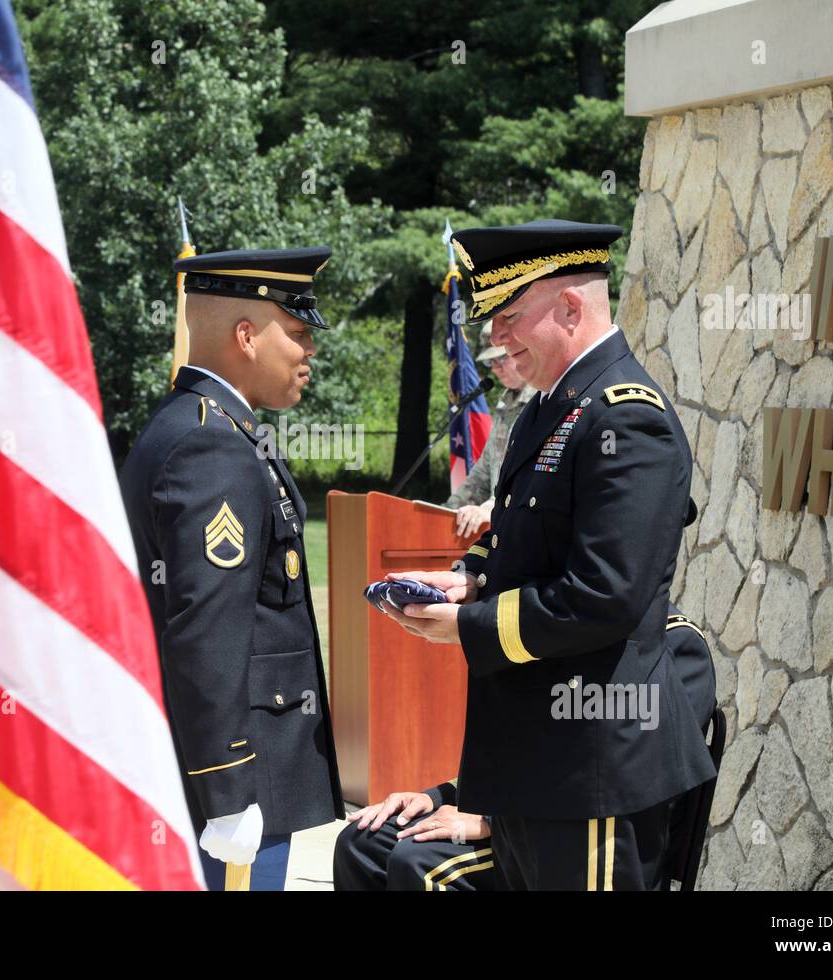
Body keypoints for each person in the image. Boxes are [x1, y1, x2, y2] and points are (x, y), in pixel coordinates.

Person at [378, 220, 716, 890]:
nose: (496, 338)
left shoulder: (626, 415)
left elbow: (606, 595)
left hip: (593, 763)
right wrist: (462, 586)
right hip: (537, 759)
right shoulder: (548, 412)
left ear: (570, 308)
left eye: (509, 316)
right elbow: (525, 548)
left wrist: (469, 628)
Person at [119, 247, 344, 891]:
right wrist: (226, 790)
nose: (309, 352)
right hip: (234, 779)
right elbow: (206, 633)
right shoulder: (212, 443)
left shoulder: (201, 425)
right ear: (245, 336)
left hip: (223, 767)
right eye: (297, 334)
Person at [333, 605, 715, 891]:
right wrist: (436, 797)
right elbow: (522, 752)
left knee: (420, 863)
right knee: (362, 843)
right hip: (515, 811)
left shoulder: (676, 646)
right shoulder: (564, 627)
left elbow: (627, 781)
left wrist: (490, 823)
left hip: (587, 842)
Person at [444, 324, 531, 539]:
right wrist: (446, 510)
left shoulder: (544, 402)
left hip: (524, 532)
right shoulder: (505, 405)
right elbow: (483, 473)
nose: (494, 368)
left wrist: (490, 508)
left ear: (523, 351)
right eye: (491, 362)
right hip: (496, 532)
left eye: (502, 359)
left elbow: (530, 478)